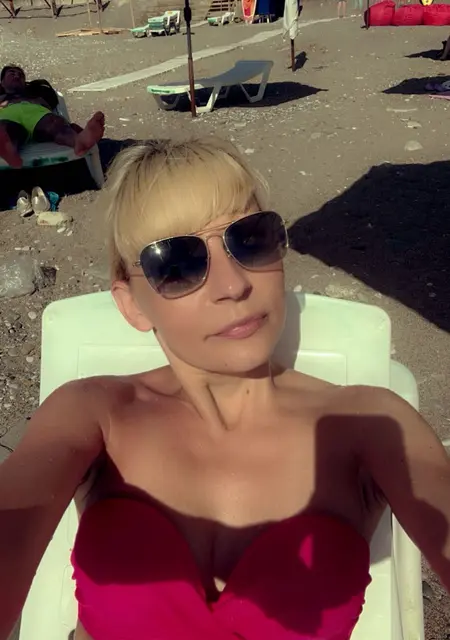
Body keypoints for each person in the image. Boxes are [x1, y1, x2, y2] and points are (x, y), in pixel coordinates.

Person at [1, 137, 450, 640]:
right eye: (177, 265)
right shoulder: (95, 415)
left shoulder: (369, 425)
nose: (234, 285)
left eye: (251, 239)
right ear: (131, 304)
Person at [0, 65, 105, 168]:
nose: (17, 76)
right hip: (7, 115)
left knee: (54, 122)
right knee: (5, 129)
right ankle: (9, 151)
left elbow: (50, 108)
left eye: (21, 75)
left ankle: (78, 142)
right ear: (2, 82)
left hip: (34, 113)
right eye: (12, 73)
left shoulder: (35, 96)